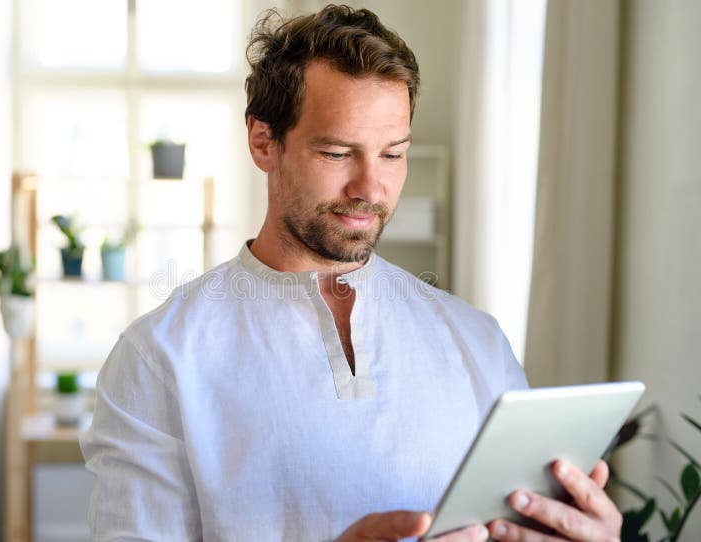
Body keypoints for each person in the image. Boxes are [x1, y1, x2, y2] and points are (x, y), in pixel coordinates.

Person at [80, 5, 623, 541]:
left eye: (392, 155)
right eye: (338, 153)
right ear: (264, 142)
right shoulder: (159, 359)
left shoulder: (478, 343)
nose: (370, 188)